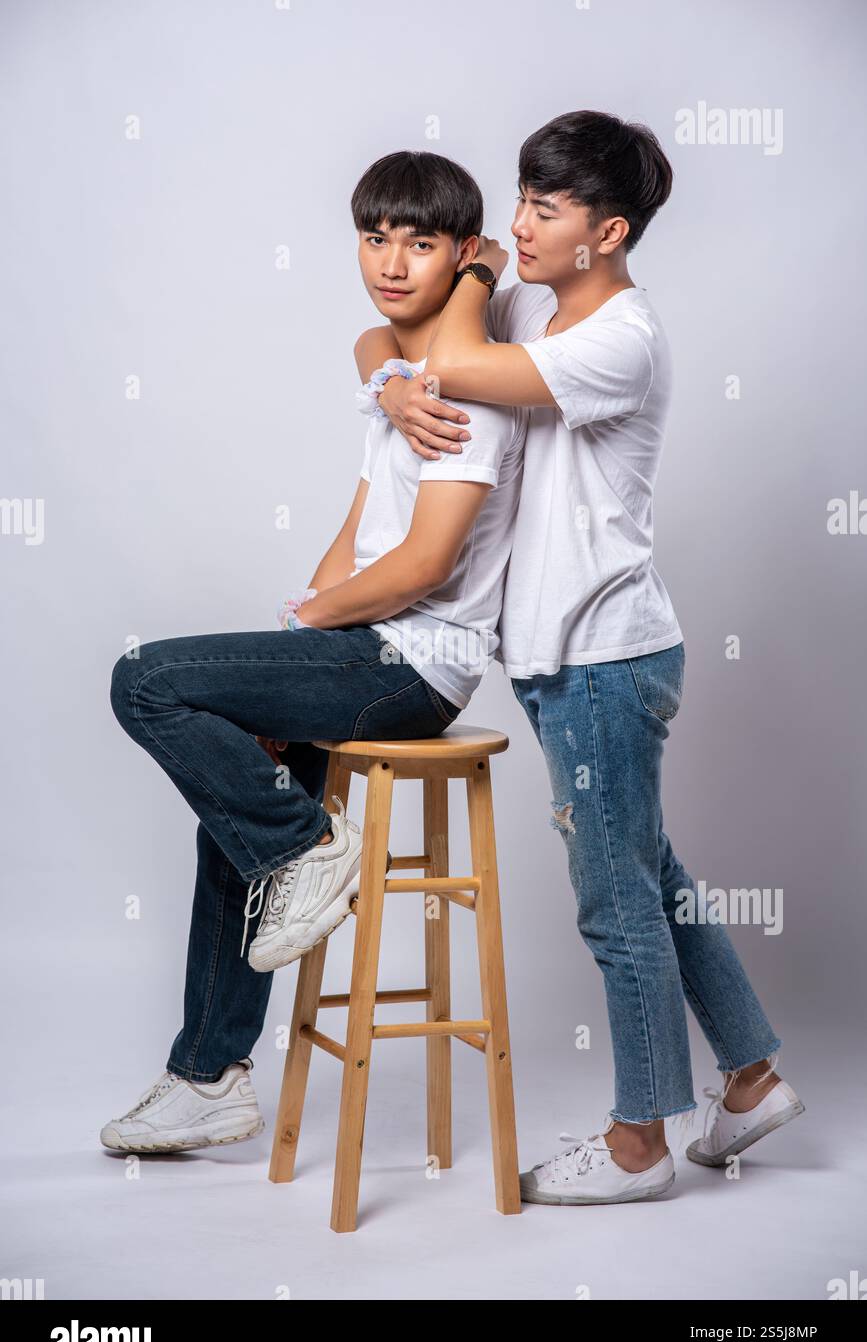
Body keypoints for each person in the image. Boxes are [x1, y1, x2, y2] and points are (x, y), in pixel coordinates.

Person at [355, 111, 804, 1205]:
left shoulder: (618, 339)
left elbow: (450, 352)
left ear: (607, 231)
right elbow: (394, 338)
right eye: (517, 199)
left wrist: (470, 284)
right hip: (578, 658)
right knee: (648, 875)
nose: (514, 223)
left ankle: (638, 1141)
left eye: (544, 209)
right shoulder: (534, 310)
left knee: (615, 902)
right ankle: (748, 1080)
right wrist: (389, 380)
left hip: (604, 659)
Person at [101, 150, 527, 1154]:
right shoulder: (401, 368)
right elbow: (367, 515)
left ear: (460, 256)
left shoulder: (468, 391)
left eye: (422, 243)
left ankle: (308, 846)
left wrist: (320, 620)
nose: (391, 259)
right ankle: (208, 1077)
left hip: (408, 666)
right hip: (360, 645)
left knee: (145, 680)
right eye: (376, 237)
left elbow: (421, 566)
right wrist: (301, 625)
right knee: (232, 790)